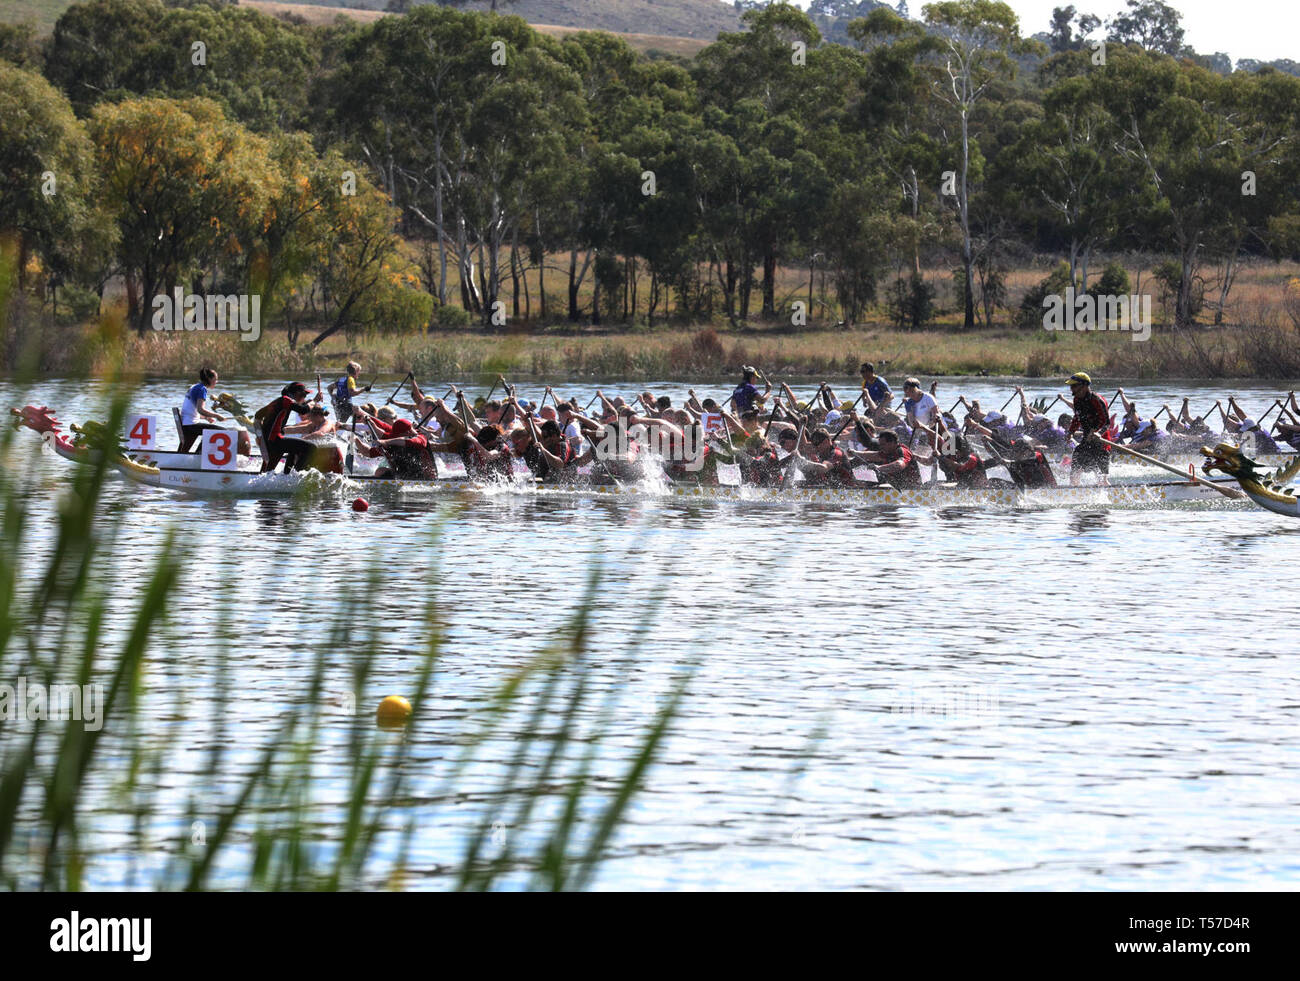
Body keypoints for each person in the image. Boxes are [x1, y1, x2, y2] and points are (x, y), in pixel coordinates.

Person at [179, 368, 249, 455]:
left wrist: (207, 418)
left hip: (187, 424)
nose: (217, 381)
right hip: (191, 425)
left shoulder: (194, 387)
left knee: (208, 432)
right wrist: (217, 415)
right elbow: (201, 410)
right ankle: (199, 455)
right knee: (223, 432)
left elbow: (193, 410)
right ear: (209, 379)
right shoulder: (202, 389)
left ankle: (195, 456)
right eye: (215, 379)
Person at [254, 382, 316, 473]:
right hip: (275, 441)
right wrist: (315, 400)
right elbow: (303, 410)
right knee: (311, 447)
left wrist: (261, 436)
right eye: (304, 394)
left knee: (266, 472)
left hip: (270, 441)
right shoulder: (286, 400)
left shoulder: (278, 401)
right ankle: (296, 476)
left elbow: (258, 415)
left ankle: (287, 474)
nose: (304, 398)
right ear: (296, 393)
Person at [1065, 371, 1111, 482]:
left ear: (1084, 386)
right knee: (1076, 462)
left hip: (1102, 440)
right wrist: (1071, 432)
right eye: (1071, 386)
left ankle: (1104, 486)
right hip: (1087, 438)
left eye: (1074, 386)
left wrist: (1098, 433)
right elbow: (1077, 418)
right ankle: (1073, 487)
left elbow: (1107, 423)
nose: (1072, 389)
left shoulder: (1097, 400)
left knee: (1101, 475)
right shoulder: (1076, 400)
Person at [357, 418, 435, 478]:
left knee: (380, 471)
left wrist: (385, 442)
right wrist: (355, 440)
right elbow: (368, 452)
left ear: (407, 433)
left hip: (426, 477)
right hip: (403, 476)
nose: (394, 437)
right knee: (380, 471)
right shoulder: (394, 443)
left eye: (397, 435)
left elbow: (409, 441)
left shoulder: (421, 437)